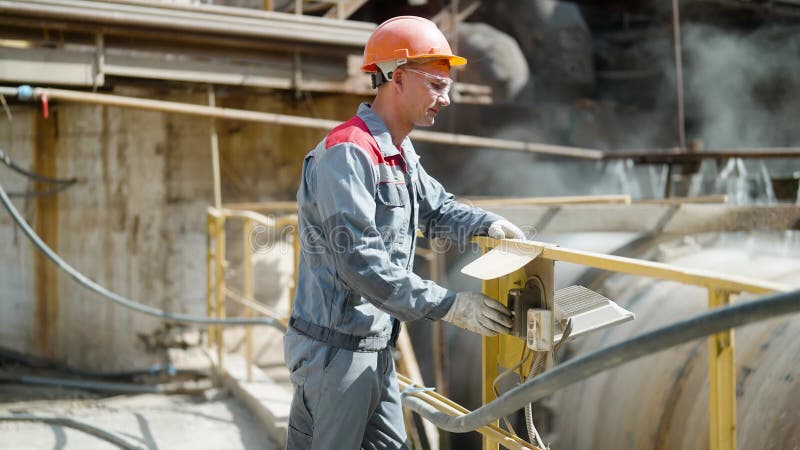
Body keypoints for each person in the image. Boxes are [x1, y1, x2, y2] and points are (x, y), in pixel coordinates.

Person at [284, 15, 526, 450]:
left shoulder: (396, 152)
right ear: (397, 78)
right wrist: (449, 305)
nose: (445, 99)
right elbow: (360, 261)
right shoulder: (347, 153)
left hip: (376, 347)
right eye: (436, 85)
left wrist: (487, 224)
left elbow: (437, 209)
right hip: (335, 356)